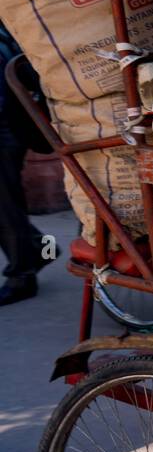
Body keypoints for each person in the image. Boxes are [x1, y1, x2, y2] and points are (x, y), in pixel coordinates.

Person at [0, 23, 52, 306]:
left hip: (5, 132)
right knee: (8, 206)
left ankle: (22, 277)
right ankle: (38, 248)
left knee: (5, 210)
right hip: (13, 129)